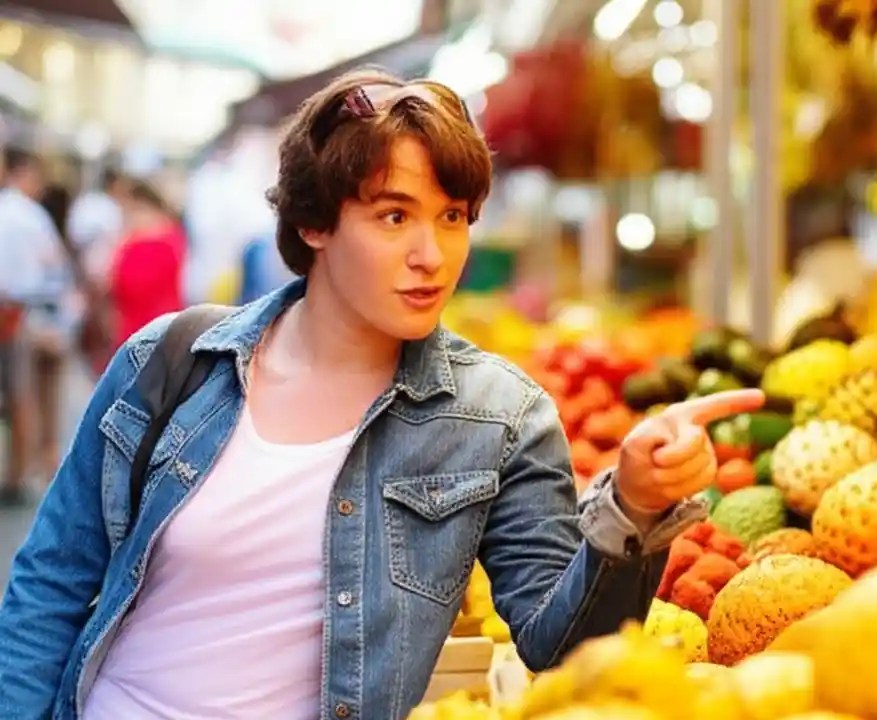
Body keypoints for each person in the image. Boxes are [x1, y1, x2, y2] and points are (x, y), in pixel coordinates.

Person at [0, 69, 760, 720]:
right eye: (394, 216)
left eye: (452, 217)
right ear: (314, 221)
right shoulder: (172, 361)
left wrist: (632, 509)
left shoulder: (501, 419)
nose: (432, 255)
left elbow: (566, 654)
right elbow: (49, 587)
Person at [0, 148, 67, 505]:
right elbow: (55, 262)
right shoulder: (29, 215)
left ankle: (21, 472)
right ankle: (26, 470)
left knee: (21, 395)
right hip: (26, 312)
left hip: (17, 311)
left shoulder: (11, 211)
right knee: (28, 395)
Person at [106, 180, 186, 353]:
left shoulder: (157, 242)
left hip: (153, 328)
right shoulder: (134, 241)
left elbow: (126, 283)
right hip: (142, 328)